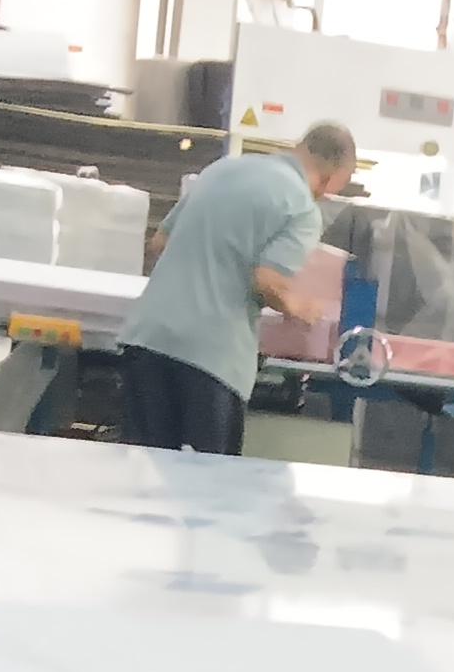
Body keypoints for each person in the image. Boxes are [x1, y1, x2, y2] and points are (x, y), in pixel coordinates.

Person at [115, 121, 355, 455]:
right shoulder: (301, 208)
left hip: (149, 338)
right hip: (211, 358)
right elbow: (268, 282)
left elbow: (160, 243)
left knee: (142, 468)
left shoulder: (222, 170)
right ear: (331, 177)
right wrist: (302, 308)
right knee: (211, 480)